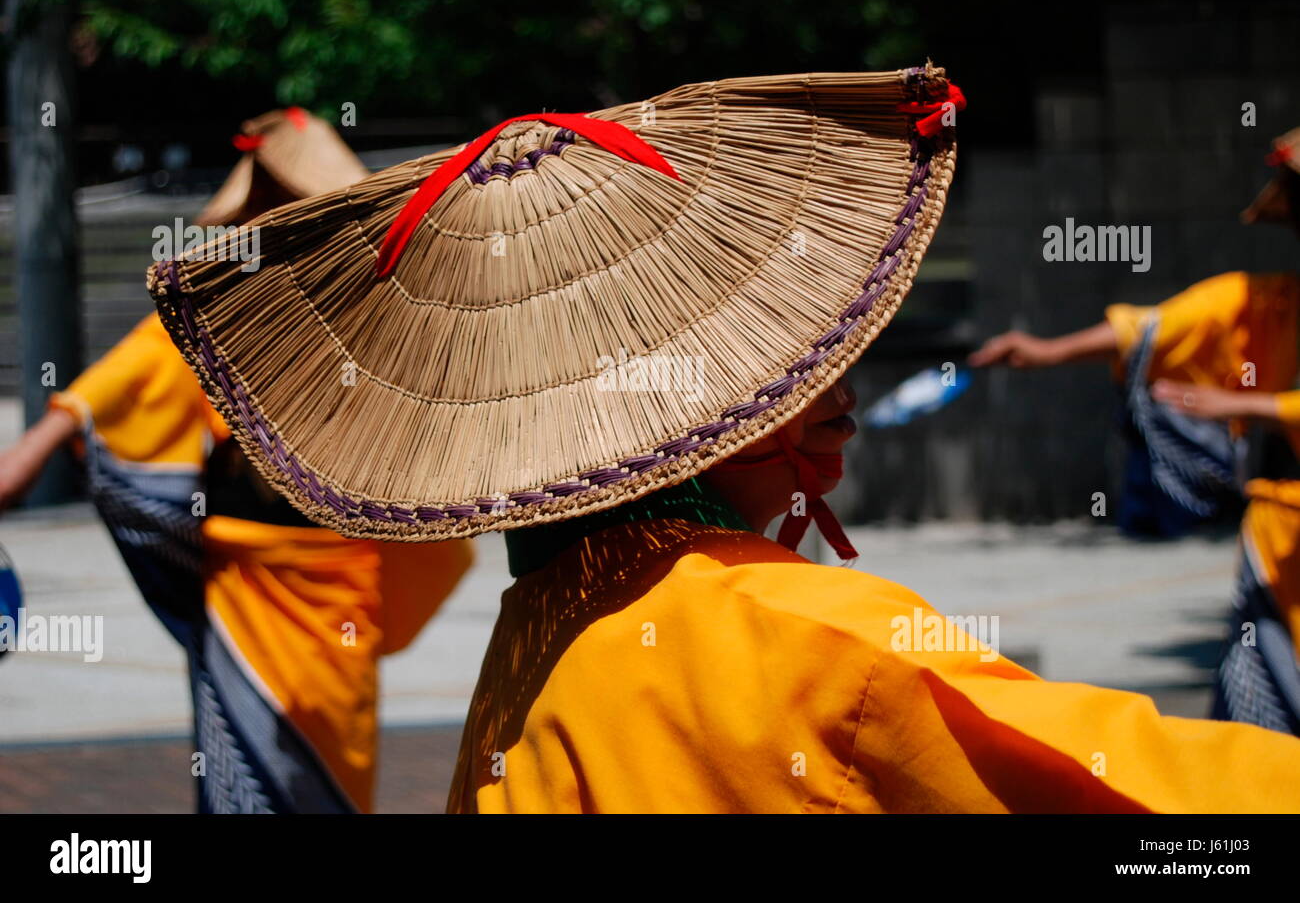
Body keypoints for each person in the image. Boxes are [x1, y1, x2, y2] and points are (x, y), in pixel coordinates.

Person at [149, 68, 1300, 813]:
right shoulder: (808, 639)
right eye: (786, 344)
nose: (834, 374)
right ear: (687, 414)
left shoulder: (539, 624)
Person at [0, 108, 472, 812]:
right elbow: (113, 388)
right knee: (243, 784)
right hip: (250, 590)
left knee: (322, 781)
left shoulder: (377, 326)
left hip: (332, 590)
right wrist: (27, 458)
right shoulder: (216, 316)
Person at [971, 127, 1300, 734]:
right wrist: (1047, 351)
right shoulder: (1269, 302)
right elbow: (1157, 328)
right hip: (1279, 544)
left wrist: (1246, 405)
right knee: (1262, 727)